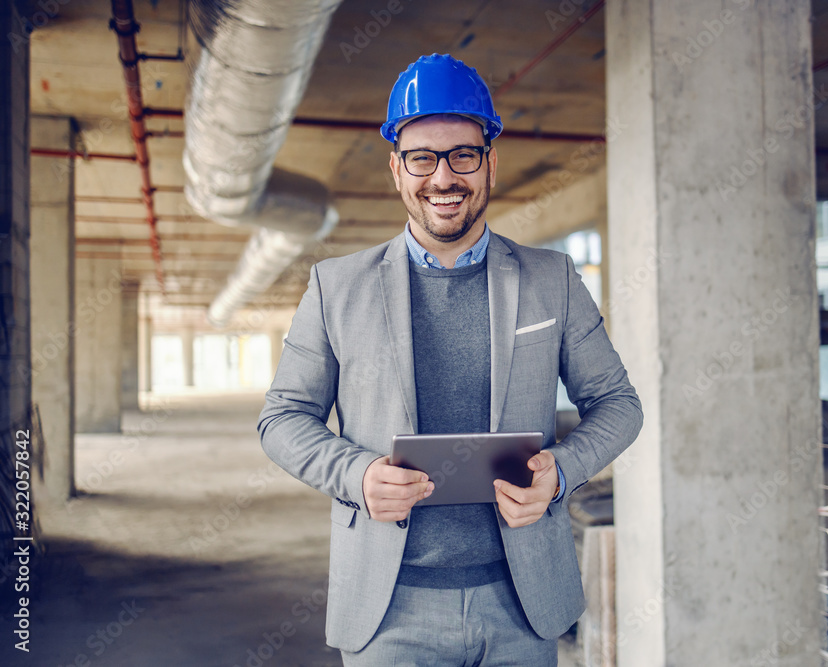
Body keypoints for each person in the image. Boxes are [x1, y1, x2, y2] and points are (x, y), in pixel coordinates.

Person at [258, 53, 642, 666]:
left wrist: (561, 473)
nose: (443, 178)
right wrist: (356, 476)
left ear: (490, 162)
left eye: (462, 155)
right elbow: (282, 419)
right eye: (422, 158)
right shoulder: (336, 286)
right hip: (388, 612)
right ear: (396, 168)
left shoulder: (552, 279)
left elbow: (619, 404)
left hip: (523, 606)